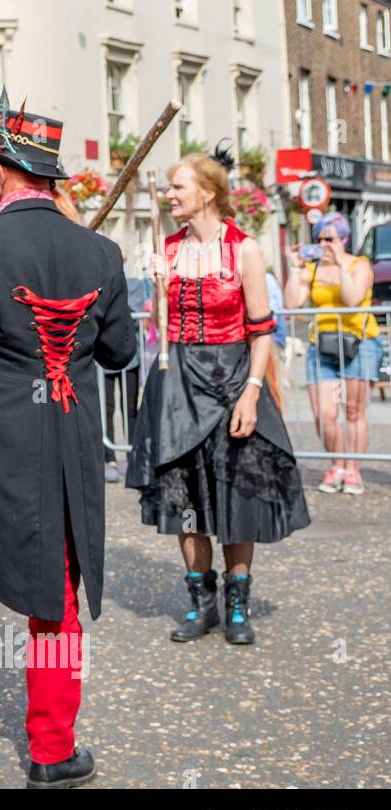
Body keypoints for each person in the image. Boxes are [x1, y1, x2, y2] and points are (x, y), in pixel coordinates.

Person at [0, 99, 136, 789]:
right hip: (69, 442)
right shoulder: (100, 251)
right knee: (55, 593)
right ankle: (51, 751)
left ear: (6, 173)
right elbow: (121, 352)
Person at [127, 146, 310, 647]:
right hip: (178, 383)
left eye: (178, 187)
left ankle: (237, 603)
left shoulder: (242, 249)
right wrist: (159, 287)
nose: (169, 195)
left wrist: (252, 392)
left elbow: (261, 330)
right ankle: (200, 601)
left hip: (232, 378)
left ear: (207, 193)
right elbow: (161, 329)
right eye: (168, 187)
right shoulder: (166, 249)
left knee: (236, 494)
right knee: (184, 493)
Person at [284, 211, 382, 495]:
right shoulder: (312, 269)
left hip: (358, 343)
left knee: (353, 410)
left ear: (344, 239)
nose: (324, 244)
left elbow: (352, 299)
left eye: (330, 239)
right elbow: (292, 303)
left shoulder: (359, 265)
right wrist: (295, 268)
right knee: (324, 413)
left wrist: (340, 264)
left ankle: (353, 470)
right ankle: (337, 466)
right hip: (322, 344)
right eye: (319, 239)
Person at [102, 276, 149, 483]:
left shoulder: (135, 284)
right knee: (107, 408)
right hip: (104, 357)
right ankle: (109, 458)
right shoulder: (102, 280)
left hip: (130, 357)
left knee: (130, 407)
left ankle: (132, 455)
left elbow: (138, 315)